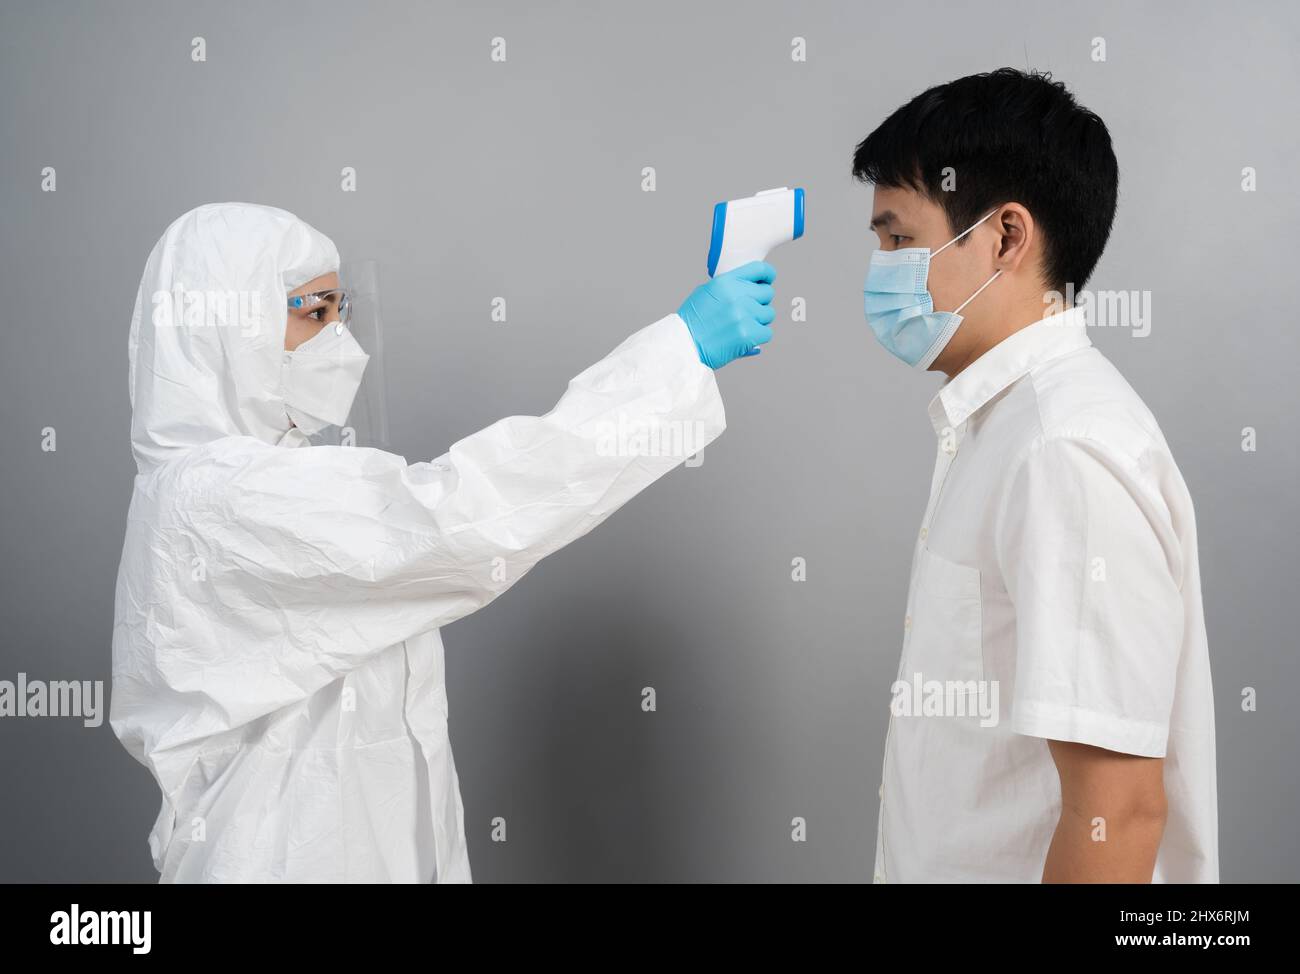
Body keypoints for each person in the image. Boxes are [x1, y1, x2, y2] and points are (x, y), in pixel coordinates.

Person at [110, 201, 777, 882]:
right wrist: (674, 356)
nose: (339, 341)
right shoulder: (217, 498)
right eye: (313, 313)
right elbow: (460, 516)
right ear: (228, 322)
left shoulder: (264, 480)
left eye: (340, 314)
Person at [855, 69, 1217, 882]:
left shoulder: (1061, 447)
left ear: (1006, 237)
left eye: (898, 240)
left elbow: (1117, 811)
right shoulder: (1001, 430)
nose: (879, 271)